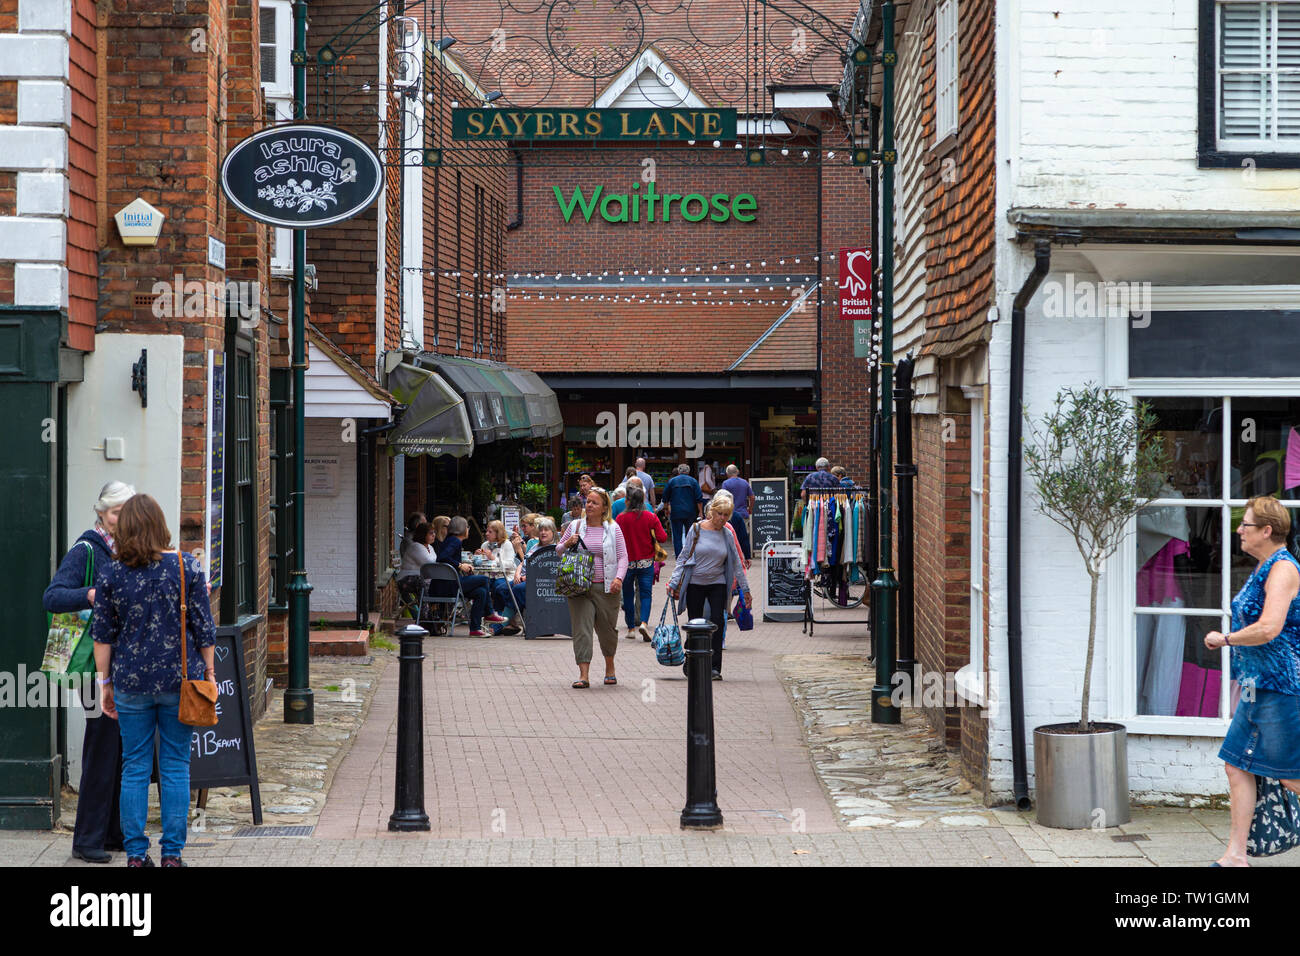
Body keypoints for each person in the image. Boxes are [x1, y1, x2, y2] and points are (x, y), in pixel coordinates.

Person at [92, 494, 215, 868]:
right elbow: (204, 629)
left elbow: (103, 635)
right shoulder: (186, 567)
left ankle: (134, 855)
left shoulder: (112, 573)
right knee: (176, 765)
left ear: (125, 529)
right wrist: (209, 673)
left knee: (135, 766)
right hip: (181, 682)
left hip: (130, 682)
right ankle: (173, 855)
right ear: (161, 526)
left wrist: (104, 683)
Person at [1204, 497, 1300, 867]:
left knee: (1291, 777)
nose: (1239, 530)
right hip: (1255, 686)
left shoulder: (1283, 569)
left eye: (1245, 524)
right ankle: (1235, 856)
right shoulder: (1263, 567)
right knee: (1237, 765)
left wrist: (1224, 639)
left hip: (1281, 687)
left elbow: (1268, 628)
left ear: (1266, 530)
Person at [42, 480, 133, 864]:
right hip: (90, 664)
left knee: (118, 748)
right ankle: (87, 839)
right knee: (101, 747)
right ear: (101, 513)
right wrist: (90, 594)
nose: (120, 520)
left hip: (117, 661)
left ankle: (111, 832)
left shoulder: (124, 549)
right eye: (115, 513)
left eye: (125, 513)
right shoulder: (85, 550)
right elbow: (53, 595)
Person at [667, 493, 752, 681]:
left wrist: (745, 590)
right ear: (711, 512)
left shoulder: (727, 534)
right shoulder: (696, 530)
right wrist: (674, 582)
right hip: (695, 583)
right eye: (720, 513)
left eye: (726, 515)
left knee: (717, 623)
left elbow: (737, 563)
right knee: (695, 624)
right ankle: (692, 660)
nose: (722, 518)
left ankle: (714, 667)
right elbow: (683, 557)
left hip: (718, 584)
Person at [556, 487, 627, 689]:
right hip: (579, 586)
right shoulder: (575, 525)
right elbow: (558, 551)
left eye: (595, 502)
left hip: (606, 587)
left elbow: (623, 557)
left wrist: (619, 579)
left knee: (607, 630)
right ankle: (584, 674)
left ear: (605, 507)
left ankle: (610, 667)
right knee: (582, 630)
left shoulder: (613, 529)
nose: (589, 505)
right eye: (588, 502)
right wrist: (567, 542)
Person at [615, 486, 667, 641]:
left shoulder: (620, 519)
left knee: (628, 595)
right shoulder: (650, 517)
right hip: (646, 562)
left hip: (627, 563)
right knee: (645, 595)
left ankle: (631, 628)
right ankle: (643, 622)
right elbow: (663, 537)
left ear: (627, 501)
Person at [434, 516, 501, 637]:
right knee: (484, 579)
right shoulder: (455, 541)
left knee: (480, 592)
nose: (468, 530)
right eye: (467, 527)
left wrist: (464, 567)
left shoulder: (450, 540)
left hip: (441, 586)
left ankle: (475, 629)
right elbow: (442, 557)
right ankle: (489, 613)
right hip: (449, 586)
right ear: (462, 529)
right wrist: (460, 565)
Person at [477, 519, 525, 633]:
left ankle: (498, 619)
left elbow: (509, 564)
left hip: (505, 576)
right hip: (488, 575)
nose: (486, 534)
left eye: (490, 532)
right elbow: (482, 563)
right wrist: (477, 558)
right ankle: (489, 619)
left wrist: (493, 558)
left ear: (498, 533)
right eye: (487, 531)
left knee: (499, 588)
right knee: (481, 588)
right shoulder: (485, 544)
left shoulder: (506, 544)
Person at [663, 463, 704, 556]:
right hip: (690, 512)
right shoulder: (693, 481)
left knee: (677, 536)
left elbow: (665, 497)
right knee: (690, 535)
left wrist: (666, 509)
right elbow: (699, 498)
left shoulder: (672, 481)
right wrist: (701, 512)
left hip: (676, 512)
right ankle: (689, 556)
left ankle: (679, 557)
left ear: (679, 471)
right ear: (688, 472)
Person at [720, 464, 755, 559]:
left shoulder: (726, 483)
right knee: (743, 536)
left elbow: (722, 498)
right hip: (743, 514)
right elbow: (752, 497)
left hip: (730, 515)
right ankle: (744, 556)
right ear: (737, 472)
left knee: (729, 536)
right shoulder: (744, 482)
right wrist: (750, 509)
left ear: (727, 473)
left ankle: (731, 556)